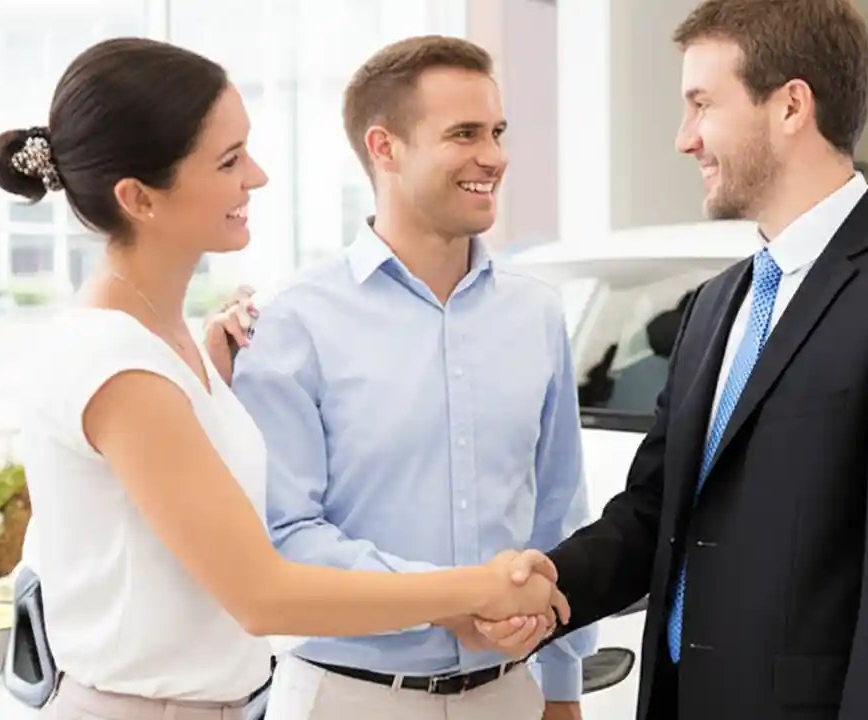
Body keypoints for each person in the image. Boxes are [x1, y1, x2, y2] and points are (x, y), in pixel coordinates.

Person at [0, 37, 566, 720]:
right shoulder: (117, 364)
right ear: (140, 198)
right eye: (230, 159)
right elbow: (264, 594)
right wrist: (472, 590)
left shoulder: (184, 351)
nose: (257, 176)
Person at [484, 1, 868, 718]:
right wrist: (554, 583)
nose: (684, 139)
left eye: (701, 103)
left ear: (792, 105)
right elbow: (655, 508)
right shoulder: (714, 305)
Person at [229, 35, 595, 720]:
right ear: (384, 148)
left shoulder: (537, 313)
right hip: (348, 699)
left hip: (513, 697)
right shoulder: (294, 323)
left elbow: (558, 510)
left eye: (497, 131)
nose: (493, 156)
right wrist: (454, 595)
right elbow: (285, 533)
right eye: (463, 134)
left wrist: (562, 684)